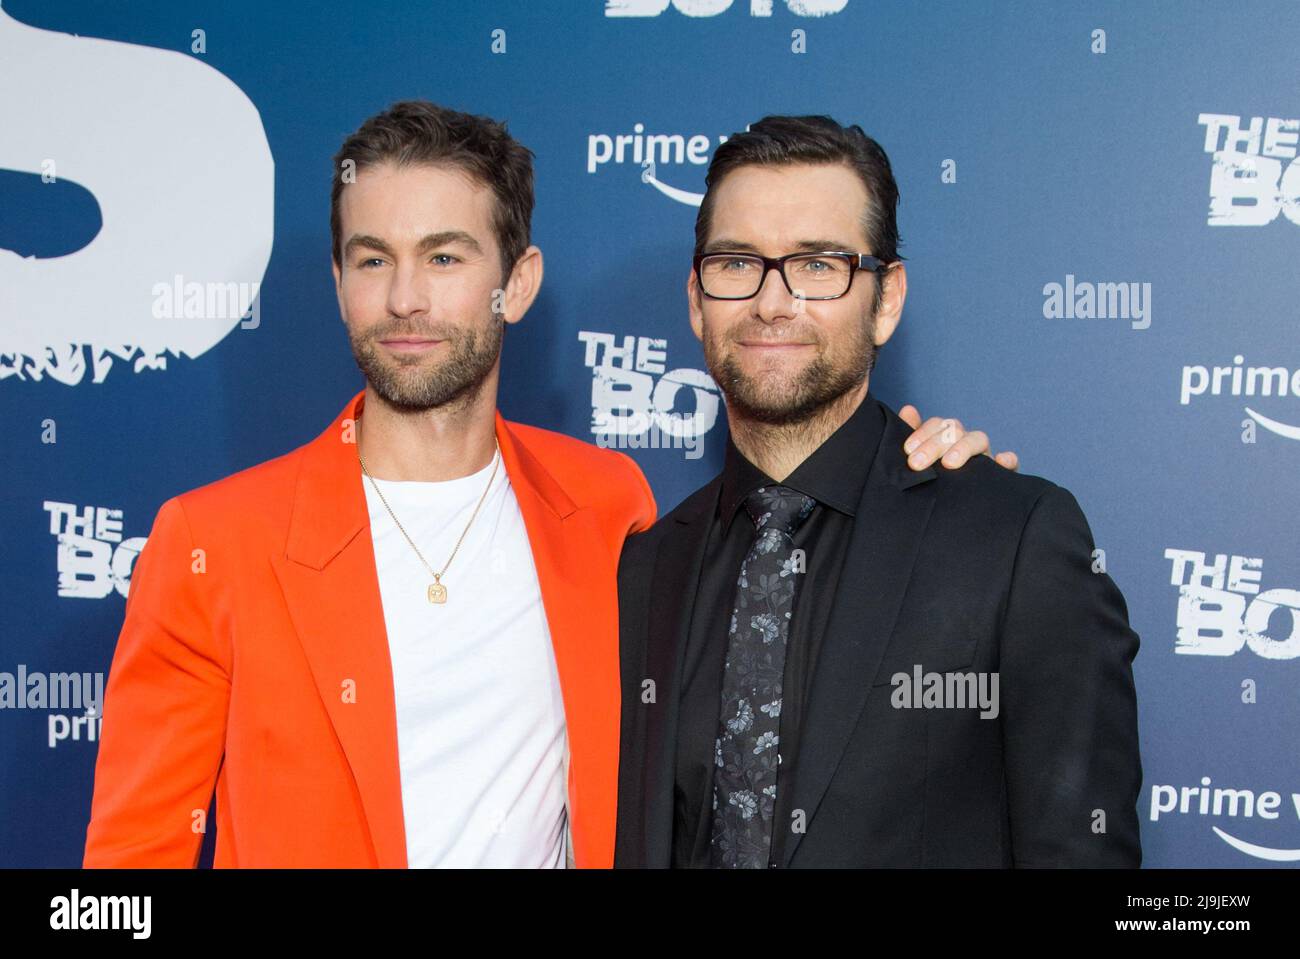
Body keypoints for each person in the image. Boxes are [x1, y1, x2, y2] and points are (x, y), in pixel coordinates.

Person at [83, 101, 1006, 869]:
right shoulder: (213, 540)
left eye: (445, 257)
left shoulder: (609, 506)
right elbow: (128, 870)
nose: (406, 298)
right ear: (337, 281)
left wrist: (924, 482)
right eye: (373, 258)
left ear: (516, 284)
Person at [614, 115, 1142, 868]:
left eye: (819, 264)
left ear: (886, 299)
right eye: (737, 264)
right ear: (698, 299)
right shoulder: (644, 569)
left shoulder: (1012, 541)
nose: (772, 301)